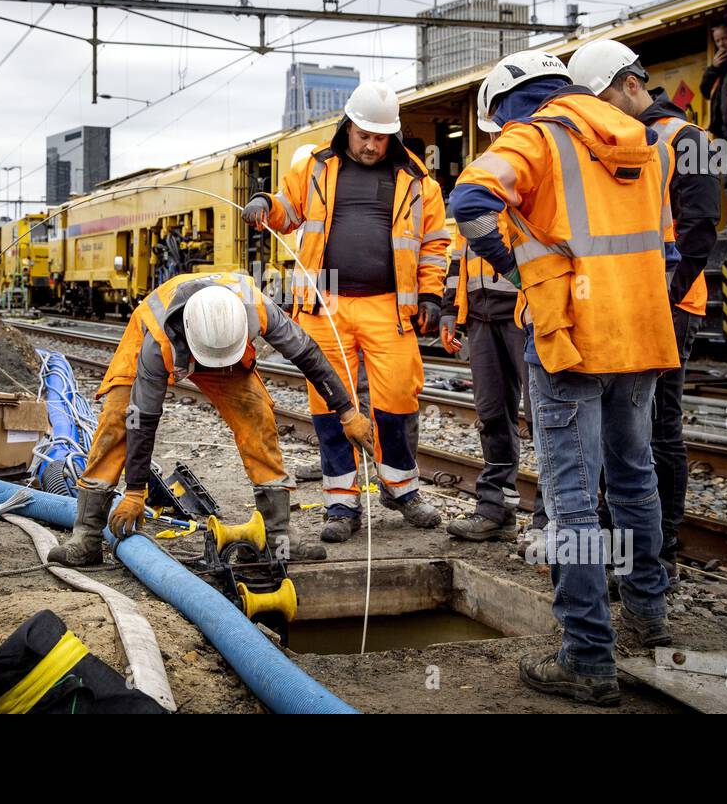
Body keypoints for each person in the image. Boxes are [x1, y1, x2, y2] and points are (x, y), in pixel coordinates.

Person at [450, 49, 680, 706]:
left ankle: (587, 657)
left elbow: (470, 201)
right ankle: (649, 618)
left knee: (573, 499)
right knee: (635, 480)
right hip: (640, 331)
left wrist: (522, 266)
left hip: (570, 336)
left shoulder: (533, 136)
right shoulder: (635, 135)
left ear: (507, 104)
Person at [47, 271, 373, 567]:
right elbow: (142, 417)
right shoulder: (157, 338)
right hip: (163, 340)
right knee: (118, 418)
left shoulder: (257, 308)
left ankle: (278, 535)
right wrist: (134, 490)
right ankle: (87, 536)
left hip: (225, 346)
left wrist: (346, 411)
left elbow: (309, 355)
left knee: (257, 416)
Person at [242, 82, 449, 542]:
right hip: (325, 303)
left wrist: (432, 295)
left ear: (392, 136)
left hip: (389, 307)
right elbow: (288, 211)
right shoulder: (315, 167)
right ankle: (341, 503)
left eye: (380, 137)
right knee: (330, 403)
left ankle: (401, 489)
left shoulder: (418, 182)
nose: (372, 145)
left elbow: (435, 245)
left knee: (398, 396)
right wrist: (265, 204)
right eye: (363, 135)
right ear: (347, 128)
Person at [568, 38, 721, 587]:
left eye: (605, 101)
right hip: (625, 300)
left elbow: (701, 229)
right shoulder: (619, 138)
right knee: (623, 425)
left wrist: (667, 292)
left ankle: (665, 546)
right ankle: (623, 542)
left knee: (659, 423)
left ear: (632, 86)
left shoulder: (690, 139)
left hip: (670, 301)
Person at [438, 64, 531, 542]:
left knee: (547, 418)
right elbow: (460, 252)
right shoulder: (486, 174)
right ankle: (496, 507)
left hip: (523, 309)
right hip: (479, 315)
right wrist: (450, 312)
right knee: (493, 413)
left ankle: (557, 520)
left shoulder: (528, 169)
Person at [700, 20, 727, 143]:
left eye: (725, 38)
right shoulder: (718, 67)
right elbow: (705, 90)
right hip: (722, 130)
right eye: (717, 41)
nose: (721, 44)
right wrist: (713, 68)